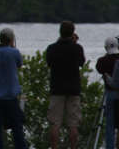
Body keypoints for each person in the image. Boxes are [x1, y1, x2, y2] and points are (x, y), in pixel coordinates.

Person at [0, 27, 28, 149]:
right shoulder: (14, 52)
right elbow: (19, 63)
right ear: (11, 40)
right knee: (17, 128)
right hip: (11, 97)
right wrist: (12, 47)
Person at [46, 20, 85, 149]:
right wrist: (74, 43)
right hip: (73, 89)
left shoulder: (52, 48)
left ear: (60, 32)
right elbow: (81, 62)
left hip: (57, 88)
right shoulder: (77, 48)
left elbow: (49, 63)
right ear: (73, 32)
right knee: (73, 124)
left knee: (54, 123)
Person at [97, 37, 119, 149]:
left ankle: (110, 146)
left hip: (110, 93)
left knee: (110, 124)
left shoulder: (102, 61)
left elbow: (99, 69)